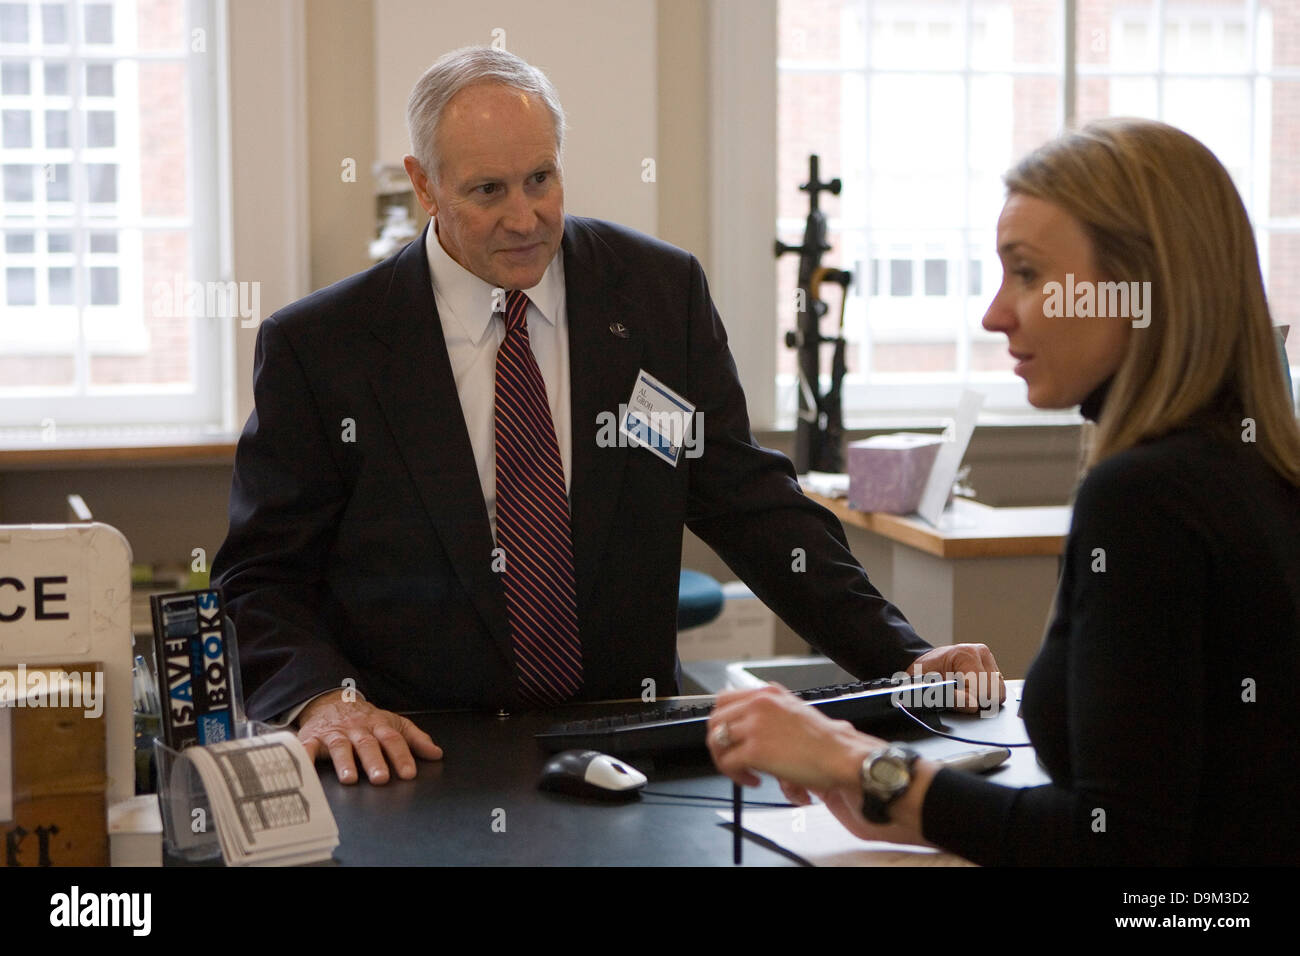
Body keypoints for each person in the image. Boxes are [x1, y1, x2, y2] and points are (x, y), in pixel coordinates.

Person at [211, 46, 1004, 787]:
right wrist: (322, 699)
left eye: (542, 179)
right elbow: (261, 576)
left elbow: (753, 507)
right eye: (489, 190)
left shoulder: (657, 297)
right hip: (419, 755)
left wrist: (905, 656)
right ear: (424, 185)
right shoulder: (324, 347)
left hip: (627, 747)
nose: (525, 218)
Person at [708, 118, 1300, 865]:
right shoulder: (1259, 469)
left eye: (1028, 273)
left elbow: (1120, 849)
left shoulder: (1148, 496)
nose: (994, 314)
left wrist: (854, 762)